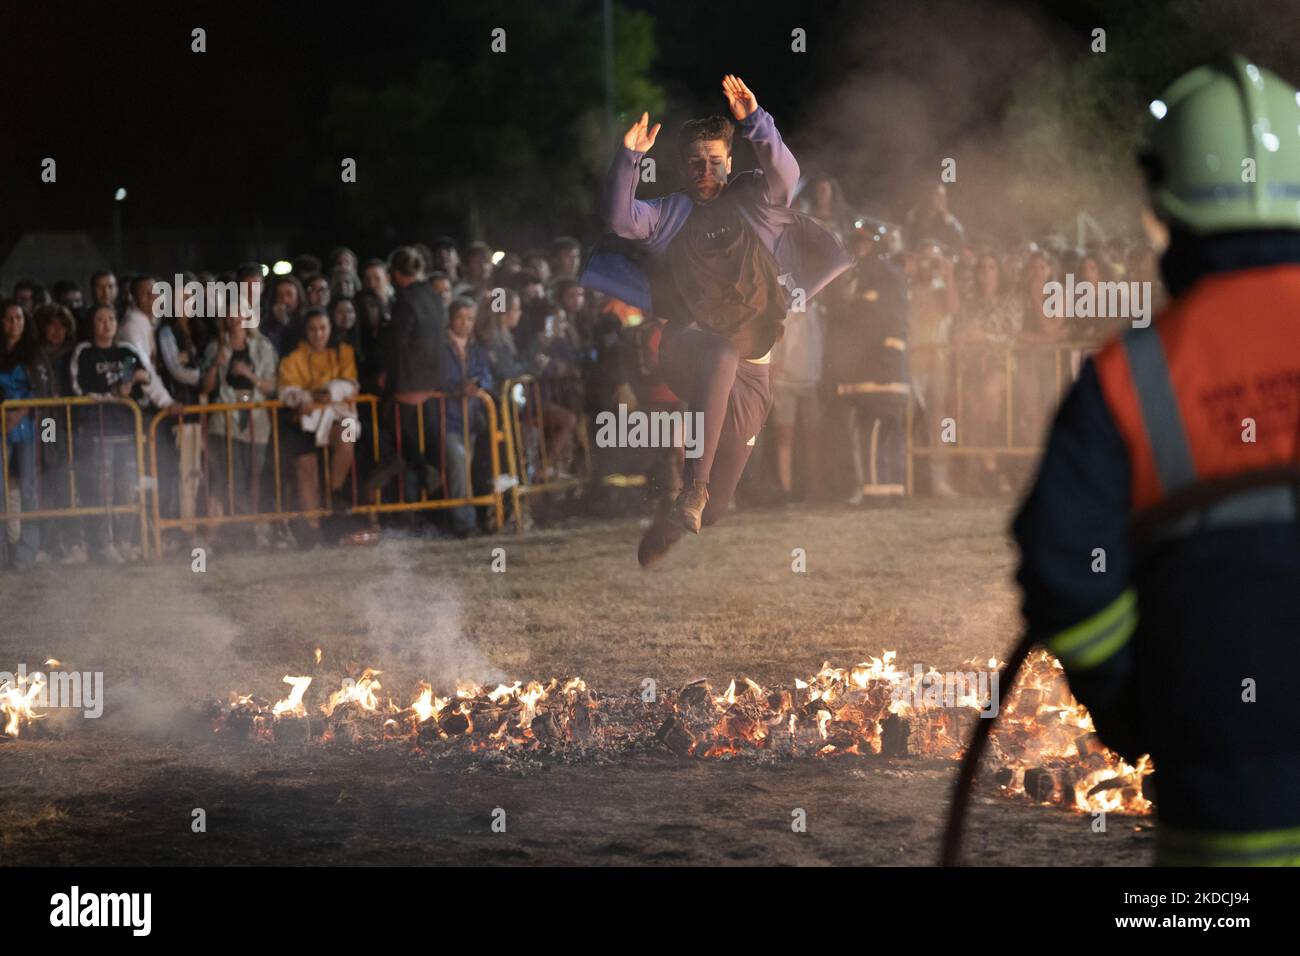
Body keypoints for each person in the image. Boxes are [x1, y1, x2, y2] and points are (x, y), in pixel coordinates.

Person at [1014, 55, 1300, 866]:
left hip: (1232, 807)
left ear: (1161, 203)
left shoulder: (1131, 376)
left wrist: (1133, 706)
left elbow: (1065, 566)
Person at [581, 74, 852, 566]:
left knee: (721, 507)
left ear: (730, 162)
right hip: (689, 348)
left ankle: (676, 520)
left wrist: (755, 121)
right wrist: (628, 160)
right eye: (695, 163)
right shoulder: (667, 214)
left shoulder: (756, 202)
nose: (705, 170)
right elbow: (621, 220)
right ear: (682, 168)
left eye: (714, 161)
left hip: (754, 366)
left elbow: (785, 175)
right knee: (721, 356)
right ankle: (692, 490)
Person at [70, 303, 180, 562]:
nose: (106, 324)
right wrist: (118, 388)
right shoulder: (85, 352)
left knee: (128, 487)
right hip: (98, 431)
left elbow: (145, 376)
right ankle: (103, 543)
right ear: (92, 324)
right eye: (100, 319)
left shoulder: (126, 350)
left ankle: (125, 540)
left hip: (127, 431)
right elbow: (82, 386)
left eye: (111, 318)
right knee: (101, 489)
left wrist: (128, 382)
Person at [825, 218, 910, 504]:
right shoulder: (859, 277)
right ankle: (890, 491)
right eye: (857, 243)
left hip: (881, 370)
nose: (860, 248)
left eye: (866, 243)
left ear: (879, 246)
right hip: (869, 370)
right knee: (879, 428)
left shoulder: (886, 277)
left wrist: (889, 358)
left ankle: (879, 492)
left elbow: (897, 322)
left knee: (878, 429)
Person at [278, 308, 359, 541]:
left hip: (335, 417)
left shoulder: (343, 352)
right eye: (313, 329)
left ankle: (335, 493)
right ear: (306, 332)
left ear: (330, 329)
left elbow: (351, 384)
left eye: (323, 328)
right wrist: (304, 398)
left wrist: (328, 392)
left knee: (348, 434)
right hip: (302, 422)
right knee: (307, 469)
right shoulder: (293, 358)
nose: (318, 334)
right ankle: (312, 528)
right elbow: (286, 390)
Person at [200, 311, 279, 549]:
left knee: (254, 475)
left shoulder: (263, 348)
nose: (235, 319)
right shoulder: (214, 348)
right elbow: (206, 387)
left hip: (256, 417)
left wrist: (248, 375)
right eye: (230, 314)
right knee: (230, 476)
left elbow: (272, 386)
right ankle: (242, 531)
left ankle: (248, 528)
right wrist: (216, 365)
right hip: (223, 419)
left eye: (240, 313)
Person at [437, 297, 494, 536]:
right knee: (459, 465)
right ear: (451, 318)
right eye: (460, 317)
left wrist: (478, 383)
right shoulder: (440, 348)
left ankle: (471, 518)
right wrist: (458, 388)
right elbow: (437, 378)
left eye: (470, 318)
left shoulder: (477, 348)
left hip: (472, 419)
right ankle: (465, 523)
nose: (465, 323)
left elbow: (488, 376)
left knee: (466, 468)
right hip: (447, 419)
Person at [0, 301, 46, 568]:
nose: (13, 323)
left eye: (18, 317)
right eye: (7, 318)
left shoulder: (34, 353)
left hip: (27, 428)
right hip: (1, 425)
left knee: (28, 489)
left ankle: (26, 552)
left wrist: (18, 412)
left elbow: (41, 389)